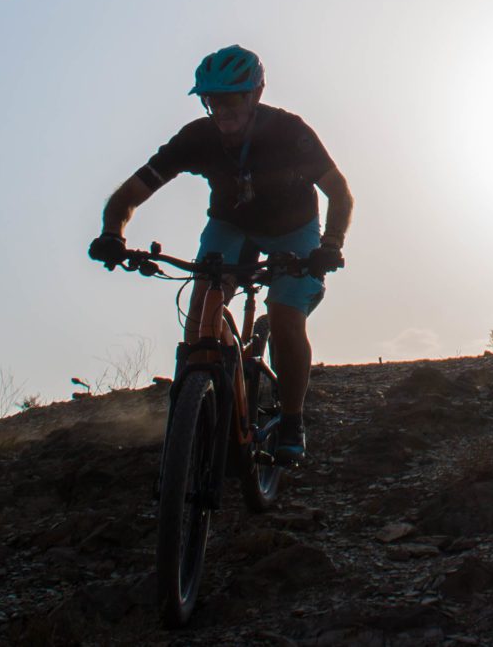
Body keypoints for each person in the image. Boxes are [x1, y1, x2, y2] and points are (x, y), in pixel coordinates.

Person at [89, 44, 352, 463]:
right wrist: (111, 234)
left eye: (232, 100)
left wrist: (330, 244)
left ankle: (291, 419)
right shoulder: (197, 138)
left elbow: (339, 191)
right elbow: (130, 195)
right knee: (202, 314)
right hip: (231, 228)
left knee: (285, 316)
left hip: (293, 231)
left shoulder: (289, 132)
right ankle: (197, 409)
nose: (222, 111)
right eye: (213, 101)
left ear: (256, 94)